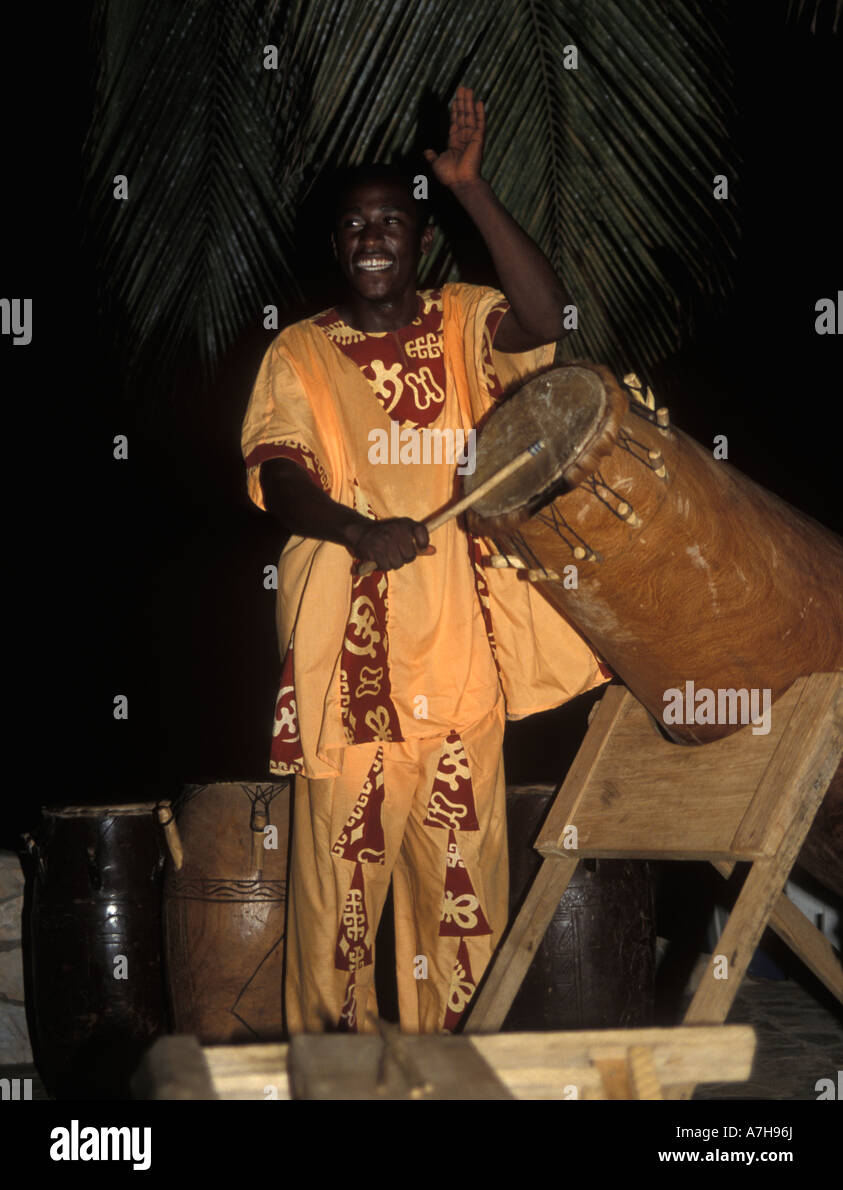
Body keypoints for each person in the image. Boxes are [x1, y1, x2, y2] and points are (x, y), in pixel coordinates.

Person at [241, 86, 609, 1035]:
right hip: (352, 683)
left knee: (462, 921)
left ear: (420, 239)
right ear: (336, 246)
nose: (372, 237)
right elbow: (278, 473)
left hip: (460, 678)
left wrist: (469, 187)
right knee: (336, 921)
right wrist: (357, 529)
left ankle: (454, 1090)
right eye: (353, 224)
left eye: (391, 221)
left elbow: (546, 317)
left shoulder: (462, 322)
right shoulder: (301, 353)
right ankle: (335, 1087)